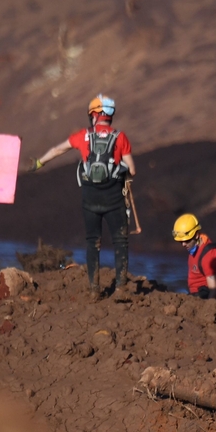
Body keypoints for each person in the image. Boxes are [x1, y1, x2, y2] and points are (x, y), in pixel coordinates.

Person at [31, 94, 136, 297]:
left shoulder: (83, 136)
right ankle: (121, 288)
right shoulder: (120, 137)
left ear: (94, 115)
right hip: (114, 198)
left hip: (90, 198)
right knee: (120, 242)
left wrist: (39, 163)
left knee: (92, 242)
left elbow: (57, 149)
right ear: (109, 116)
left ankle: (94, 290)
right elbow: (132, 169)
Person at [173, 214, 216, 301]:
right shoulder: (194, 247)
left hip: (203, 298)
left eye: (186, 240)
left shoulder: (208, 255)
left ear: (196, 235)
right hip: (194, 296)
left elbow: (214, 291)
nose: (183, 244)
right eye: (180, 241)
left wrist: (207, 310)